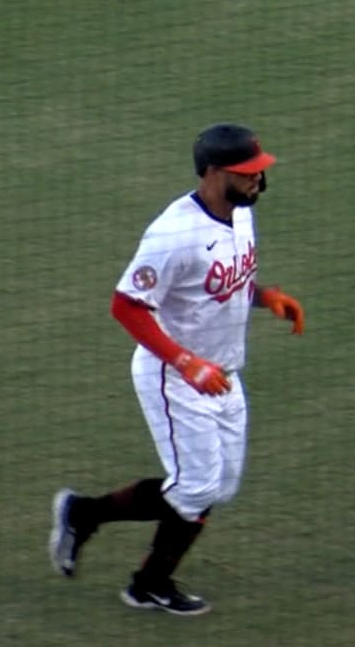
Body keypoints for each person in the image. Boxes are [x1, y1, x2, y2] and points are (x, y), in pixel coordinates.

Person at [49, 123, 305, 616]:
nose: (257, 181)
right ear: (213, 173)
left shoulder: (241, 215)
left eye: (258, 172)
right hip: (174, 375)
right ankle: (141, 577)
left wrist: (264, 297)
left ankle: (88, 519)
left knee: (218, 487)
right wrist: (185, 363)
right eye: (246, 173)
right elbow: (127, 306)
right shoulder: (174, 233)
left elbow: (217, 285)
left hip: (223, 374)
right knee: (196, 486)